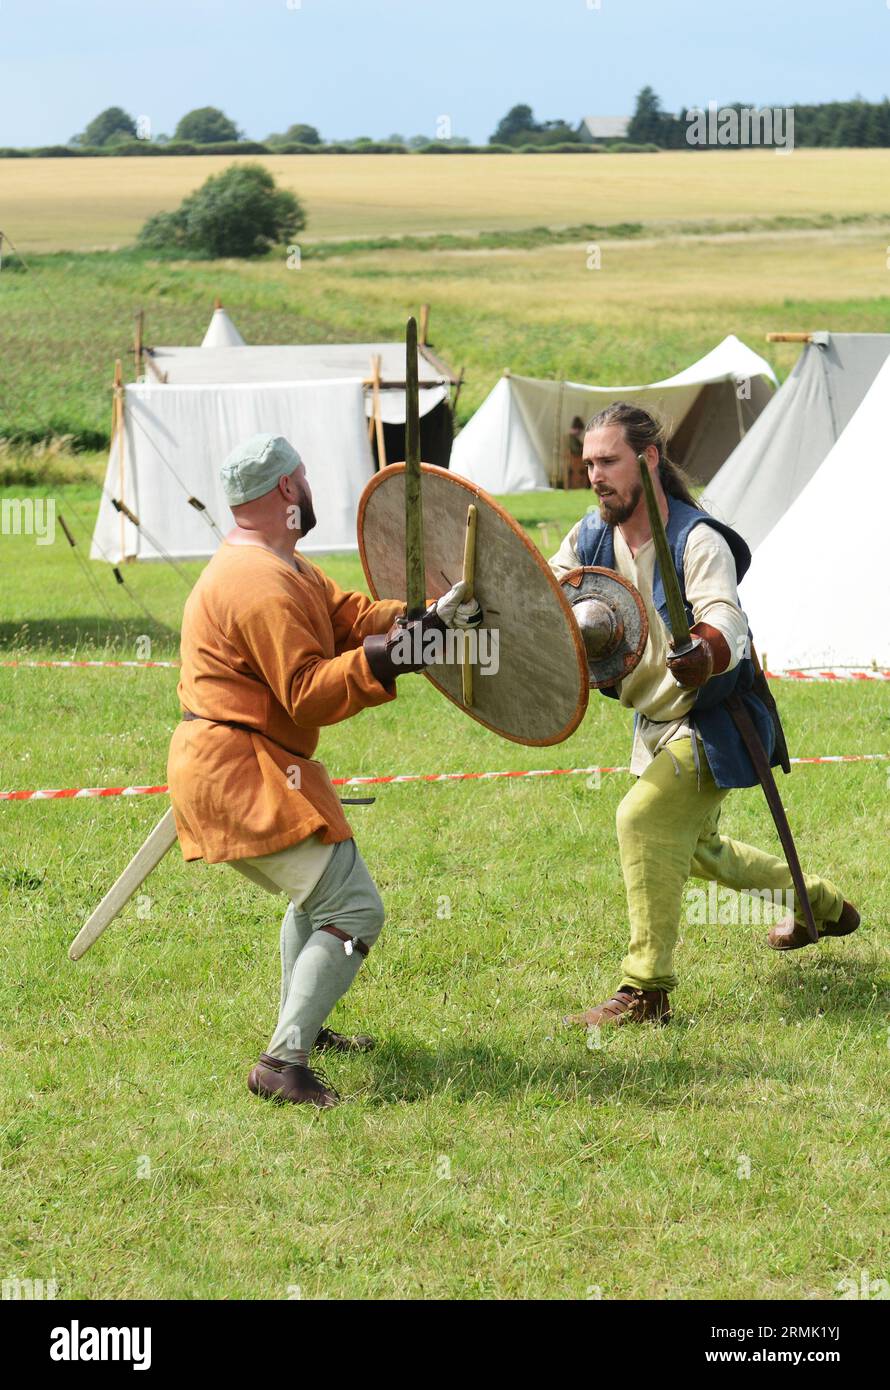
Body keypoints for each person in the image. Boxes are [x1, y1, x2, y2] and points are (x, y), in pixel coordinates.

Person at [167, 433, 479, 1105]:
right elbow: (306, 689)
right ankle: (283, 1061)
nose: (309, 489)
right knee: (355, 908)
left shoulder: (284, 566)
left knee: (321, 894)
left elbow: (348, 619)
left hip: (254, 763)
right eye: (303, 478)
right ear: (286, 489)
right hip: (238, 770)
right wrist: (389, 659)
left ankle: (304, 1024)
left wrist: (421, 619)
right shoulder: (256, 582)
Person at [549, 403, 859, 1029]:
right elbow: (548, 590)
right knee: (694, 850)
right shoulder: (590, 538)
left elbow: (727, 621)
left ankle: (646, 991)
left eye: (608, 461)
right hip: (655, 724)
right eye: (589, 464)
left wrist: (705, 652)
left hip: (712, 719)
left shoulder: (698, 538)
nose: (596, 475)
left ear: (649, 458)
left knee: (640, 821)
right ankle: (819, 902)